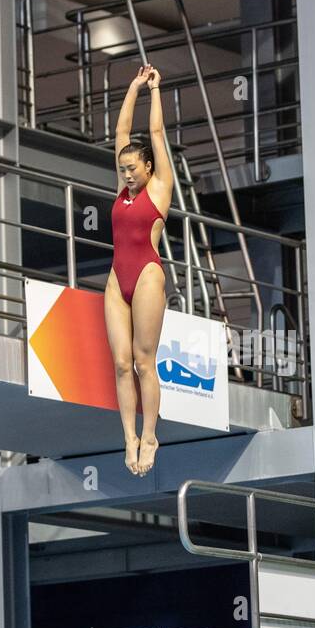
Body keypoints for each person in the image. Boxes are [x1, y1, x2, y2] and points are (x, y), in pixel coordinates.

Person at [109, 64, 173, 476]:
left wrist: (154, 91)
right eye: (123, 169)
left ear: (148, 168)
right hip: (118, 278)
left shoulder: (160, 187)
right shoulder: (122, 190)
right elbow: (120, 134)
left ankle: (149, 434)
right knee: (119, 363)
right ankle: (128, 436)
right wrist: (131, 86)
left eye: (133, 169)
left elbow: (155, 134)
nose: (128, 174)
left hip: (148, 274)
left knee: (143, 362)